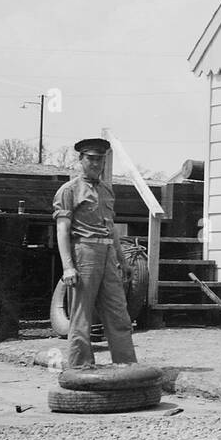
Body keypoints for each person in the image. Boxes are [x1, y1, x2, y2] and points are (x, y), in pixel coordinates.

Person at [52, 137, 139, 370]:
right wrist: (68, 266)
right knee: (81, 314)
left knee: (118, 311)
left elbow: (111, 228)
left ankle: (126, 365)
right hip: (84, 252)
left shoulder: (107, 190)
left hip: (108, 252)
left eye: (100, 159)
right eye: (91, 158)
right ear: (80, 159)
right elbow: (62, 229)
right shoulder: (68, 190)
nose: (96, 164)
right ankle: (80, 367)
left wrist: (123, 260)